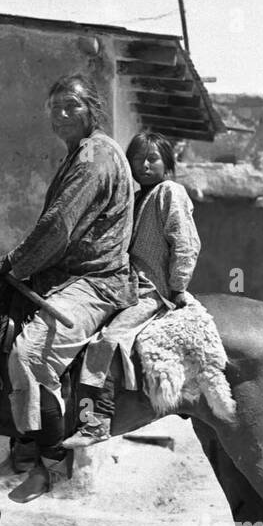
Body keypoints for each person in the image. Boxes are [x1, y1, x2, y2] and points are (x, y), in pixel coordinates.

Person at [0, 74, 138, 502]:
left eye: (71, 106)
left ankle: (52, 466)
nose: (60, 114)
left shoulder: (94, 158)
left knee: (31, 354)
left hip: (97, 282)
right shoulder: (78, 155)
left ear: (92, 109)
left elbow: (57, 226)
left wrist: (11, 264)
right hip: (66, 275)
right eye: (54, 107)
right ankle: (21, 447)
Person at [63, 131, 201, 448]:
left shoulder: (170, 192)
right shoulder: (135, 199)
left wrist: (178, 287)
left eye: (152, 158)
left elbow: (185, 243)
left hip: (153, 291)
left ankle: (97, 419)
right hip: (122, 287)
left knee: (107, 340)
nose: (144, 165)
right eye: (137, 159)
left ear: (167, 162)